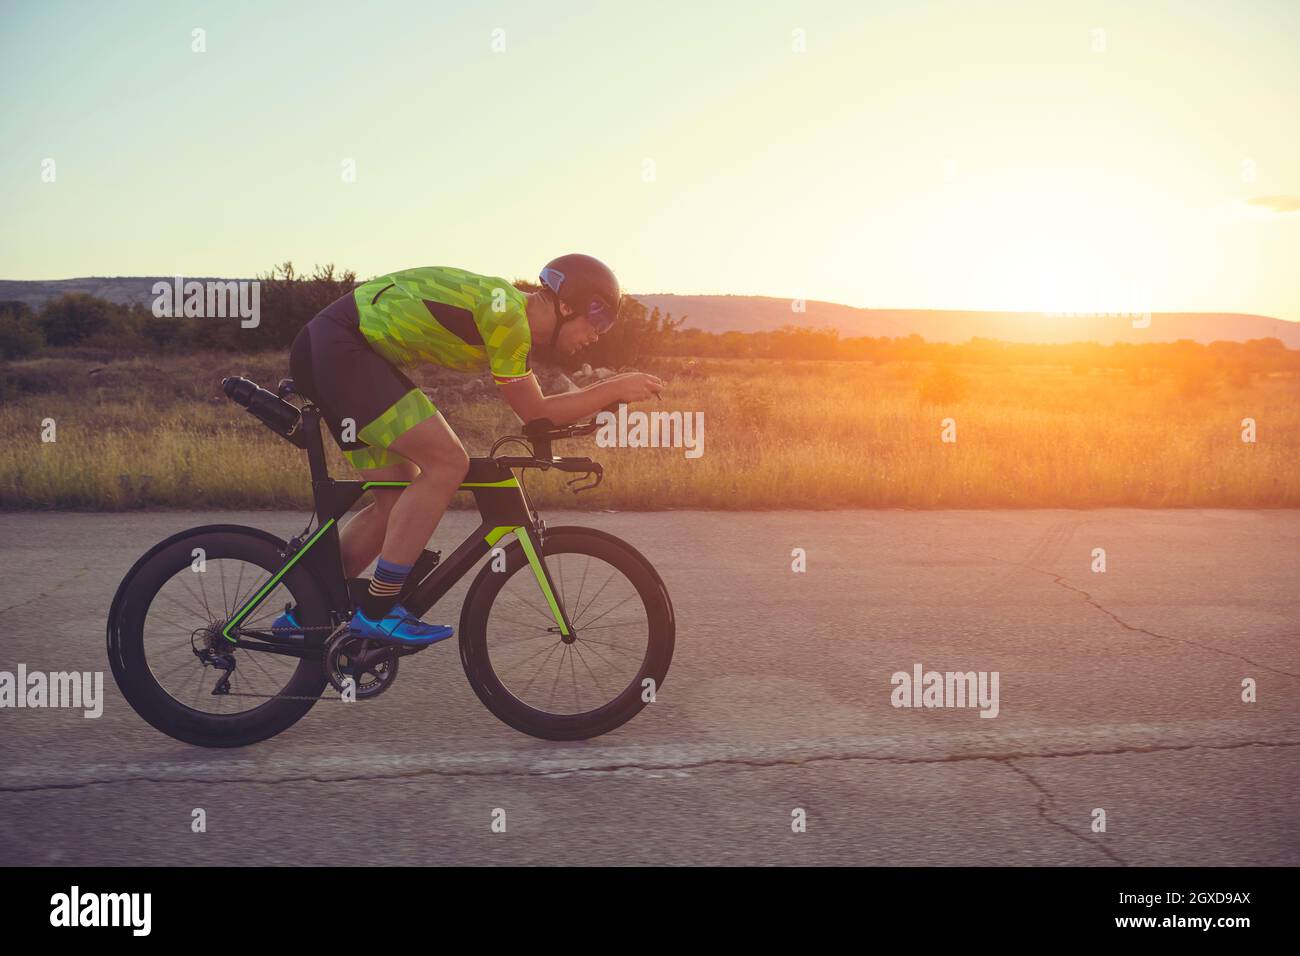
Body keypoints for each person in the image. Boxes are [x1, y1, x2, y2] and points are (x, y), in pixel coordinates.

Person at [280, 254, 663, 644]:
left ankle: (308, 613)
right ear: (566, 305)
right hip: (341, 348)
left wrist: (599, 403)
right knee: (448, 463)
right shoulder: (509, 315)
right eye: (596, 321)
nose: (596, 336)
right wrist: (614, 387)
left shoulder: (510, 316)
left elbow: (539, 416)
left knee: (396, 497)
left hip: (331, 349)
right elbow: (535, 412)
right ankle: (378, 610)